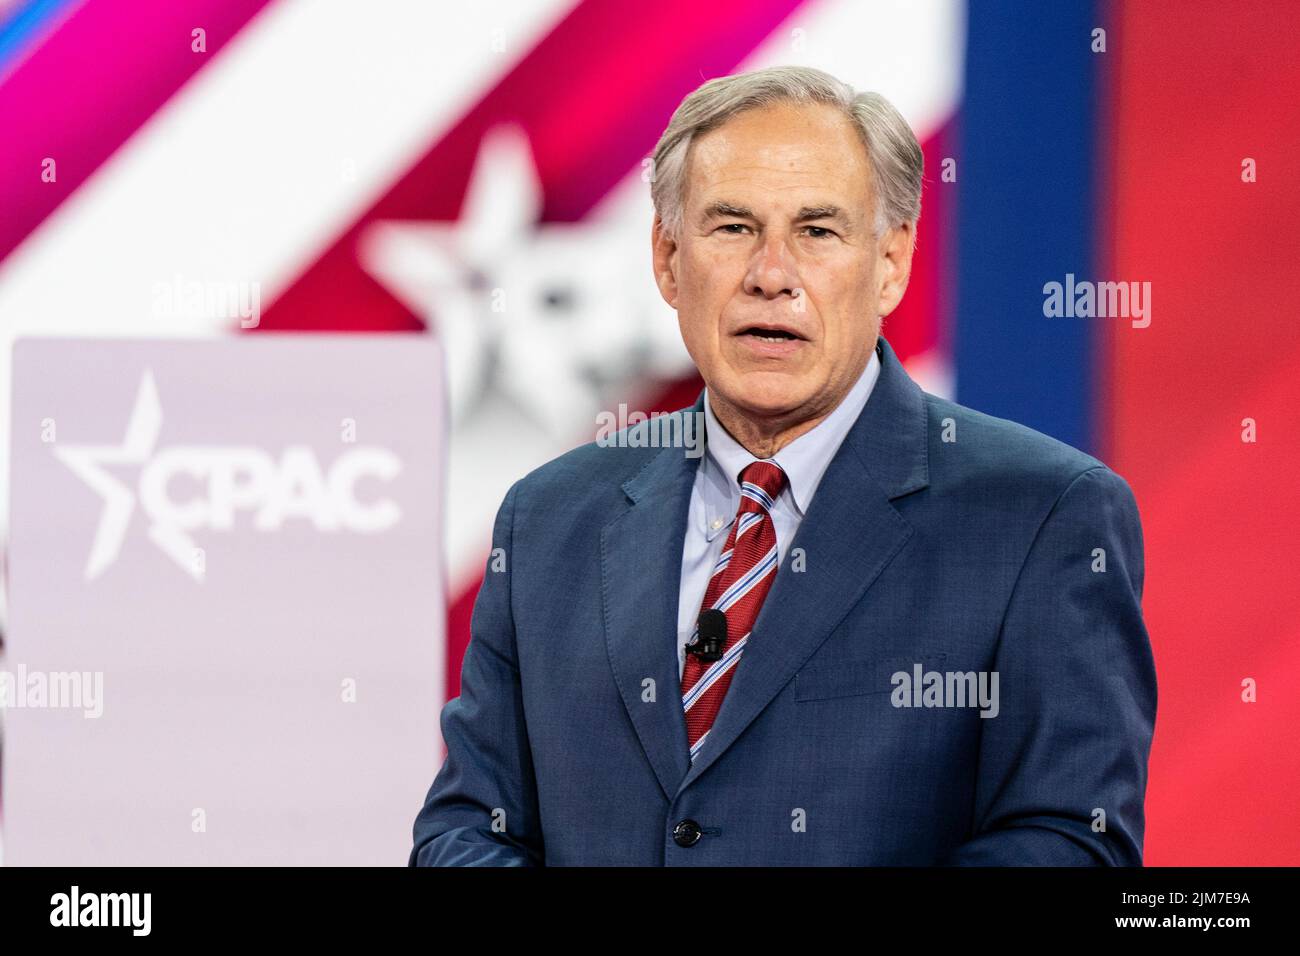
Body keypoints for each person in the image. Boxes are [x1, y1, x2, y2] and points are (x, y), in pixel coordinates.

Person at [409, 65, 1156, 866]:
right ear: (666, 260)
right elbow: (465, 829)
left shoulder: (1042, 517)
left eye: (818, 231)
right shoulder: (549, 518)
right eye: (731, 227)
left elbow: (1073, 844)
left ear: (891, 263)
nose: (771, 274)